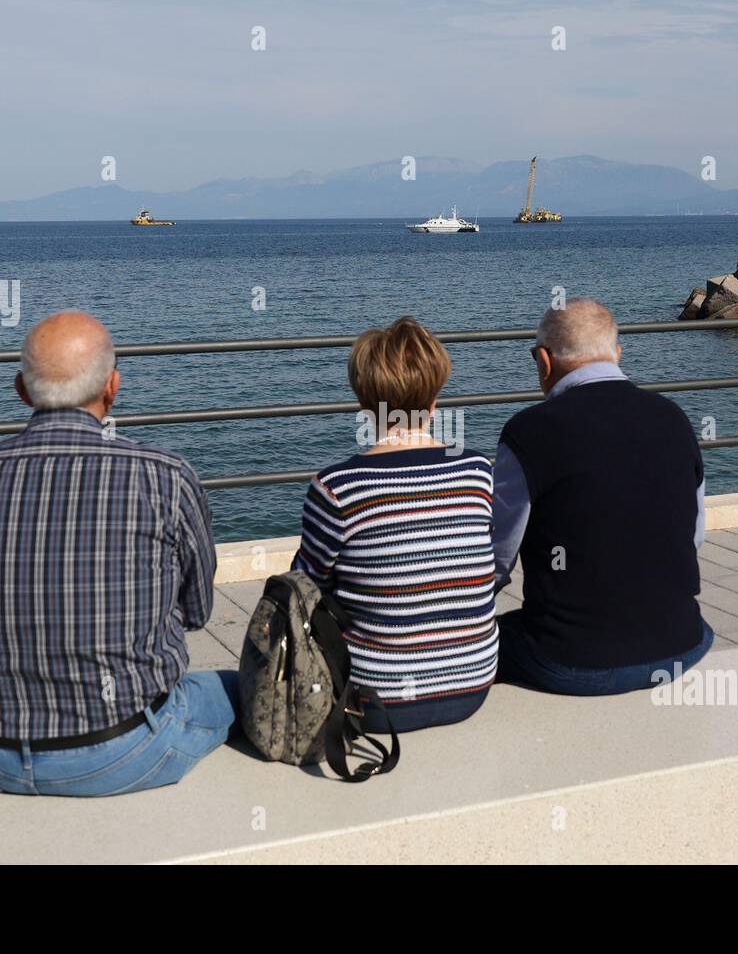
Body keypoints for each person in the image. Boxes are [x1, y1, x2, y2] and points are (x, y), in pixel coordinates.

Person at [0, 310, 235, 796]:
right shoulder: (164, 475)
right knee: (239, 688)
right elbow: (197, 611)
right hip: (124, 749)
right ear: (112, 386)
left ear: (22, 390)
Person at [492, 298, 713, 695]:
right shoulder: (674, 418)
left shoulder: (528, 432)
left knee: (490, 639)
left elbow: (496, 556)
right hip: (684, 644)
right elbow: (694, 535)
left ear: (543, 360)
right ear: (617, 354)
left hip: (573, 660)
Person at [293, 317, 498, 732]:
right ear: (436, 396)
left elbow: (306, 588)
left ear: (365, 404)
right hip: (472, 686)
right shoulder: (477, 470)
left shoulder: (338, 487)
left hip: (373, 701)